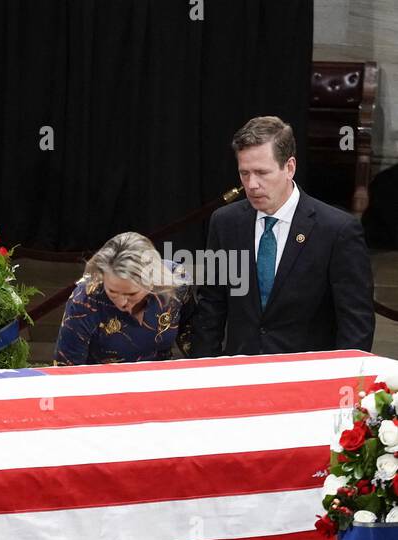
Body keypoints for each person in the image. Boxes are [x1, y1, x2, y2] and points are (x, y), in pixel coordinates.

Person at [192, 115, 374, 357]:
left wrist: (343, 382)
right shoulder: (226, 223)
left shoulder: (336, 230)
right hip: (240, 375)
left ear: (290, 167)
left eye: (261, 173)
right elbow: (211, 307)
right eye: (244, 173)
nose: (252, 184)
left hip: (306, 380)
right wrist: (204, 373)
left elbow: (355, 324)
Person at [53, 232, 194, 366]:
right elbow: (67, 367)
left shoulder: (176, 283)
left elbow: (193, 338)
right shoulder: (85, 298)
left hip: (159, 380)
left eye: (131, 294)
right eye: (112, 292)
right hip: (102, 384)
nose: (121, 302)